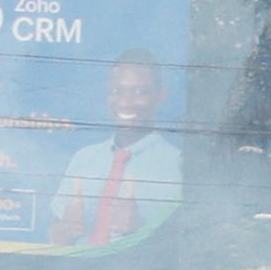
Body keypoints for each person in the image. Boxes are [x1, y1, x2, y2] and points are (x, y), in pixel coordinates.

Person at [47, 48, 182, 248]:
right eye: (116, 91)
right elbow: (54, 239)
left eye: (139, 92)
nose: (125, 102)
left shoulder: (179, 165)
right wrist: (65, 230)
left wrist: (141, 228)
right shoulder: (83, 159)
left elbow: (186, 249)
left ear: (160, 96)